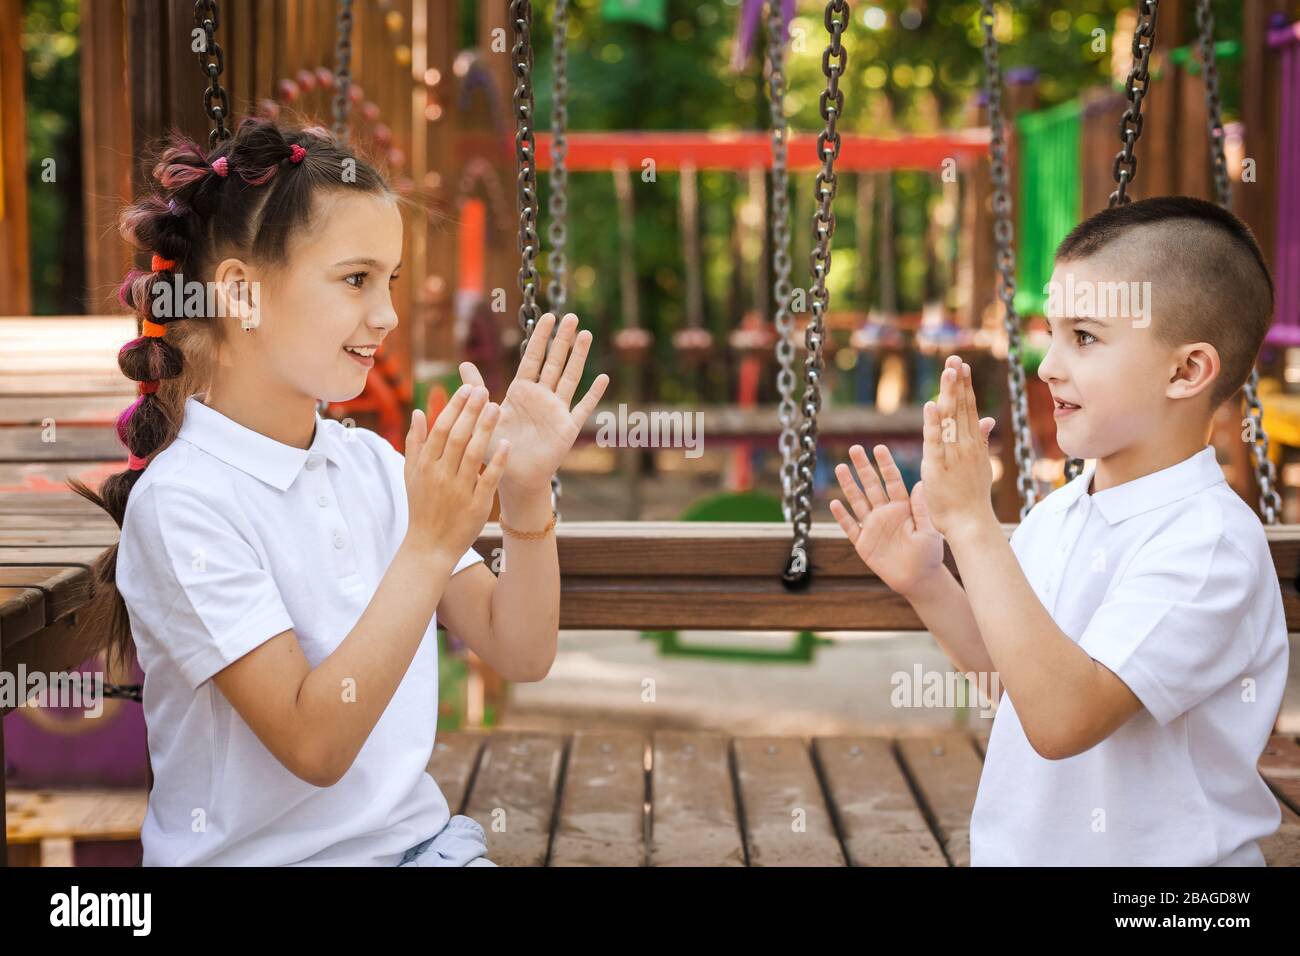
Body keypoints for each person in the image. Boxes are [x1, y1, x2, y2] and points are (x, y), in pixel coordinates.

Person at [69, 118, 608, 866]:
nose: (386, 314)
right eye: (356, 279)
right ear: (240, 295)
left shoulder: (373, 467)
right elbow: (314, 744)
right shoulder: (184, 504)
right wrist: (426, 547)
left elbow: (519, 649)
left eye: (388, 281)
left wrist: (523, 491)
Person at [829, 196, 1289, 865]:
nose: (1047, 366)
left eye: (1085, 337)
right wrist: (927, 583)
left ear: (1187, 371)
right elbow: (1018, 685)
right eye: (1052, 333)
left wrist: (972, 526)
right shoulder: (1061, 512)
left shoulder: (1207, 544)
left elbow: (1065, 719)